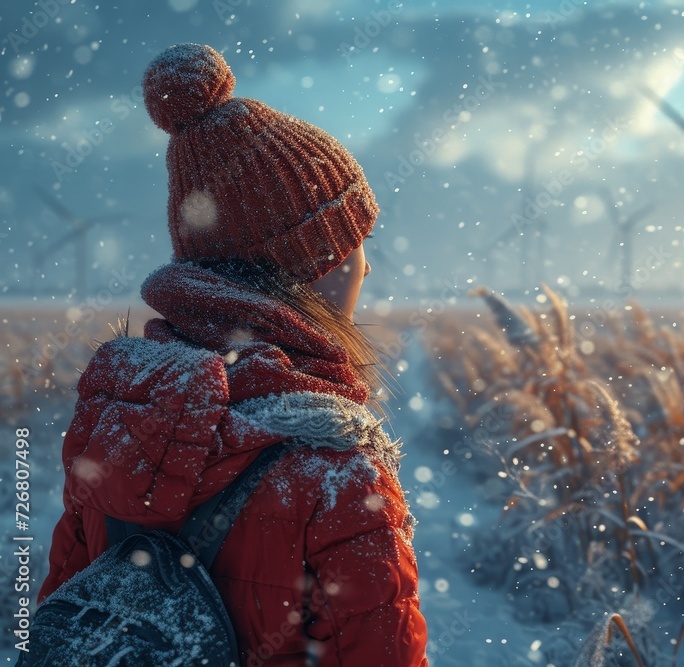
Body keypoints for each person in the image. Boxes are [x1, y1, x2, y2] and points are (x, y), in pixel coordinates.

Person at [38, 43, 429, 666]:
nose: (366, 265)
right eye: (356, 243)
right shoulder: (336, 470)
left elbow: (64, 613)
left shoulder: (116, 421)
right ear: (313, 267)